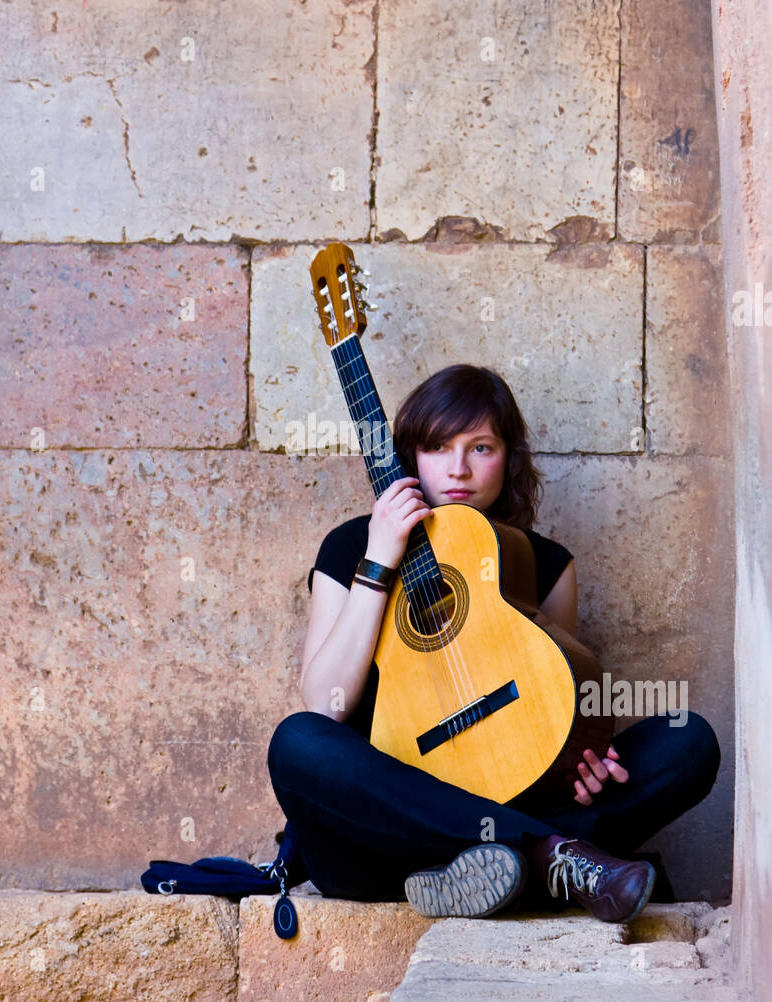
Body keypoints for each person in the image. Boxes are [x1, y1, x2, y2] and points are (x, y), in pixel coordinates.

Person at [267, 364, 721, 922]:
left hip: (516, 792)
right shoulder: (349, 548)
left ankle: (504, 867)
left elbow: (553, 704)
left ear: (509, 458)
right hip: (381, 843)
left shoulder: (545, 564)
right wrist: (380, 559)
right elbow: (325, 702)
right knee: (297, 742)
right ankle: (550, 855)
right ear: (411, 457)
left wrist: (581, 759)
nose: (458, 469)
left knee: (688, 741)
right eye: (438, 447)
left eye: (480, 447)